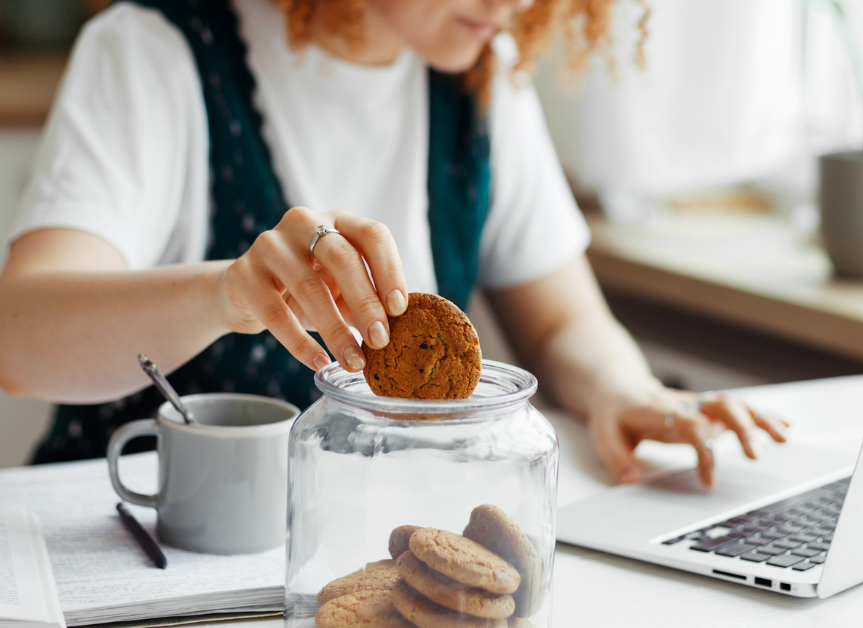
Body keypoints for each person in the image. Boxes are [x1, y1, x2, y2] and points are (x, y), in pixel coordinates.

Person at [0, 0, 786, 485]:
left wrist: (625, 388)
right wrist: (224, 294)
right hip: (133, 549)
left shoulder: (481, 73)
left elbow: (562, 324)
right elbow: (20, 342)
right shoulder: (151, 51)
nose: (514, 2)